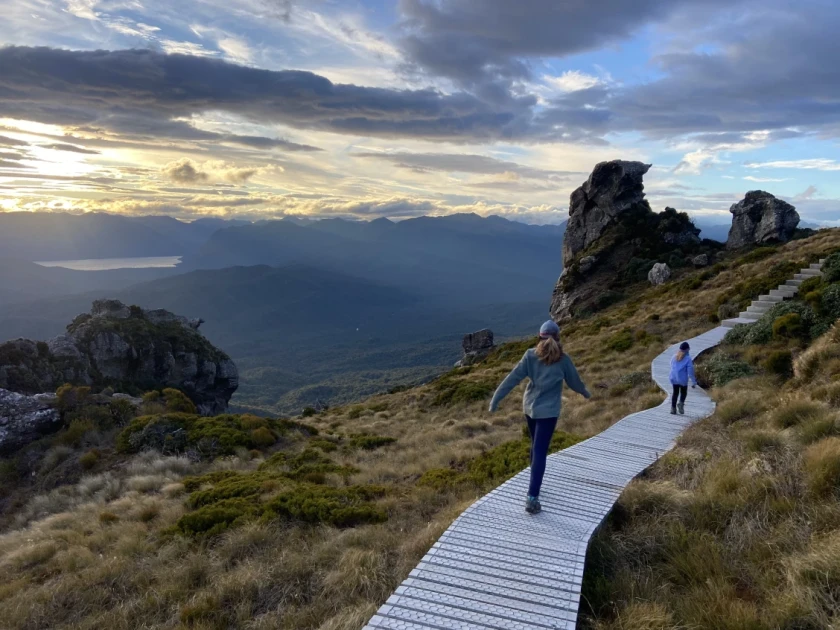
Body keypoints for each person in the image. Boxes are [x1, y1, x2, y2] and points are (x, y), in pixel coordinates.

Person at [488, 320, 591, 515]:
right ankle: (532, 497)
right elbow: (575, 383)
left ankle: (533, 484)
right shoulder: (564, 360)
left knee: (535, 446)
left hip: (530, 409)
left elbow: (511, 380)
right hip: (548, 412)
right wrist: (586, 393)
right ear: (558, 338)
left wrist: (495, 400)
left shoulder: (530, 356)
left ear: (539, 337)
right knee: (540, 450)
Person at [669, 341, 697, 415]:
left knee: (675, 393)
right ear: (687, 349)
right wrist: (694, 382)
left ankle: (673, 409)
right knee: (683, 392)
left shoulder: (674, 356)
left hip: (673, 377)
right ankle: (681, 404)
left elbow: (671, 365)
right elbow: (690, 372)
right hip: (682, 379)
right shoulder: (688, 359)